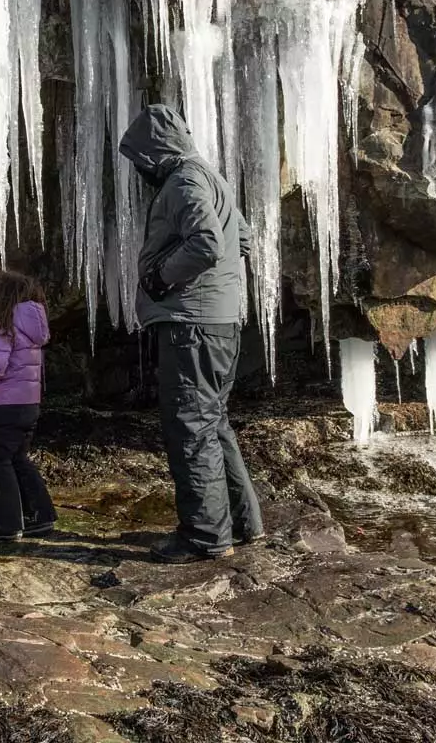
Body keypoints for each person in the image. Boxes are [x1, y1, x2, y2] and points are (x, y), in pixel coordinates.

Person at [118, 104, 265, 564]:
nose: (140, 168)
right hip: (219, 322)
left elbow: (207, 242)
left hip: (192, 325)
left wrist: (162, 278)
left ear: (156, 152)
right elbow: (241, 239)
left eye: (141, 158)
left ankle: (204, 535)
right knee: (212, 422)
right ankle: (242, 523)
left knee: (190, 428)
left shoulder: (183, 181)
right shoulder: (209, 176)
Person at [0, 271, 56, 543]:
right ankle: (39, 516)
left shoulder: (1, 323)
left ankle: (4, 525)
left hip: (3, 404)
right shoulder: (31, 321)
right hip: (29, 403)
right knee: (18, 459)